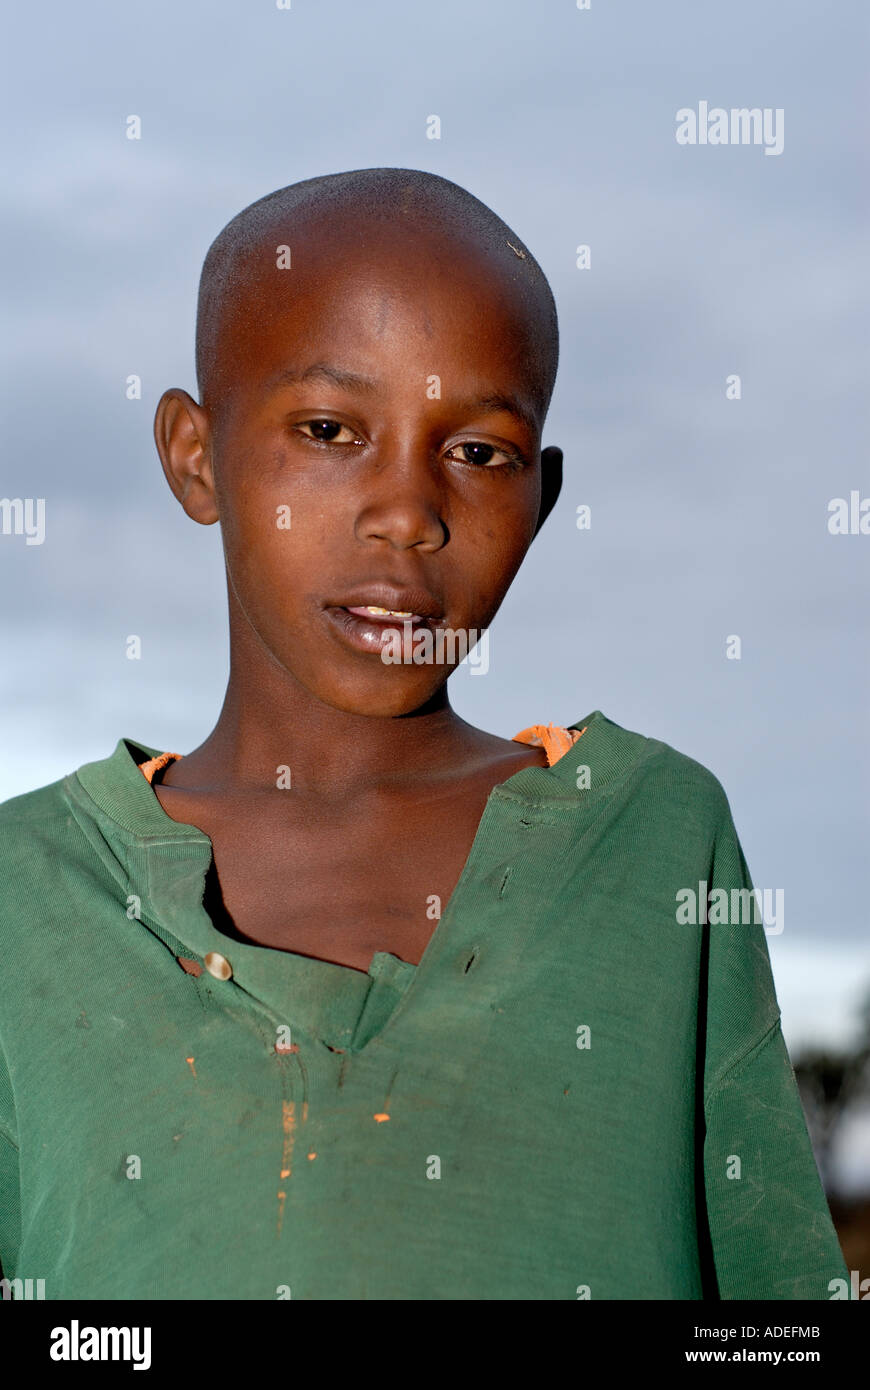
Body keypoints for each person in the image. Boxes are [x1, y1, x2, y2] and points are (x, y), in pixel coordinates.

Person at [0, 168, 848, 1299]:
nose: (408, 510)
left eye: (480, 451)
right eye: (329, 428)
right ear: (195, 456)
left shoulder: (652, 843)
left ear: (541, 500)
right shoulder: (29, 899)